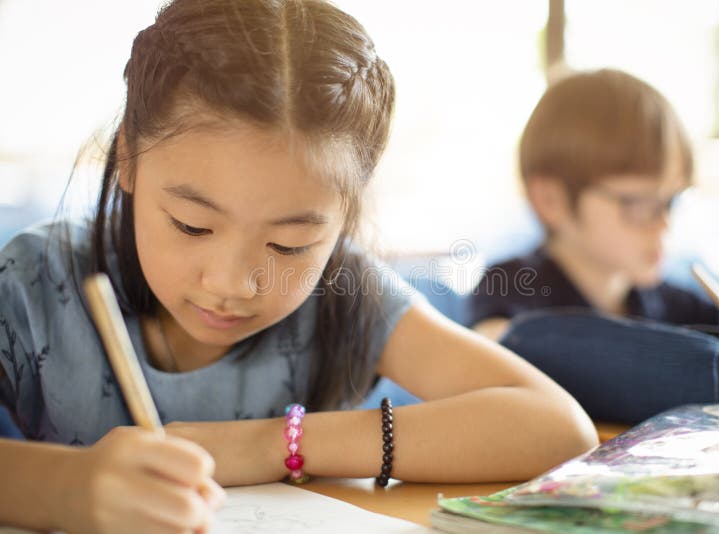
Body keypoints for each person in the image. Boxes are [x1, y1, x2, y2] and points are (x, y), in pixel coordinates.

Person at [0, 1, 597, 532]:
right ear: (127, 157)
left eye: (290, 245)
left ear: (345, 215)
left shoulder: (346, 291)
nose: (233, 283)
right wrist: (65, 488)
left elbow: (557, 427)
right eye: (192, 225)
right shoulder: (34, 282)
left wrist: (273, 444)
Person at [468, 68, 719, 407]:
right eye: (639, 205)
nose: (664, 224)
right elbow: (492, 348)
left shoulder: (659, 296)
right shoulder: (511, 284)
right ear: (550, 200)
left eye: (671, 201)